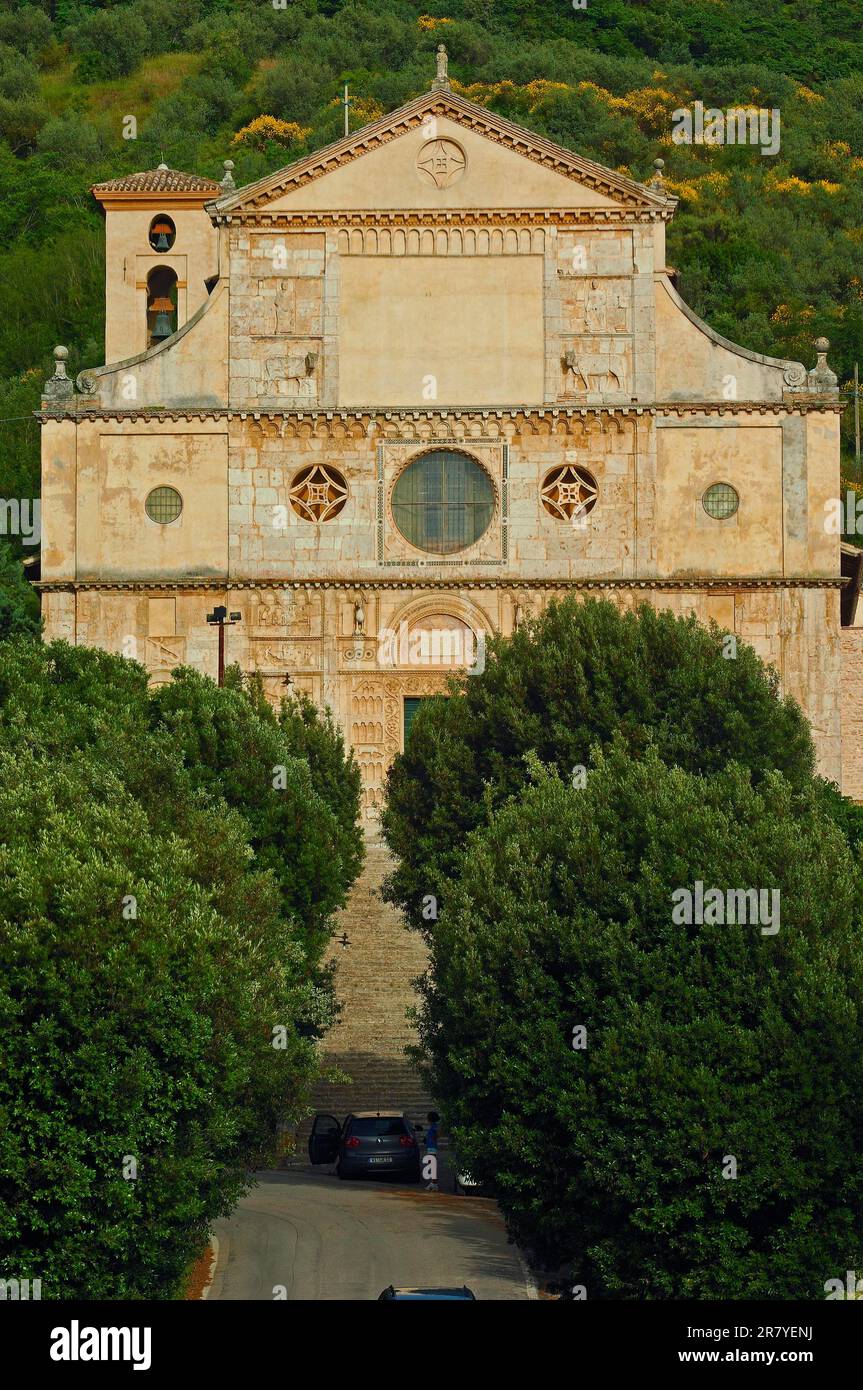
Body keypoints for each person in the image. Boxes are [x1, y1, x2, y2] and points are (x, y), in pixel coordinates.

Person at [424, 1110, 439, 1191]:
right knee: (432, 1166)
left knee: (432, 1166)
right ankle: (433, 1183)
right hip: (431, 1147)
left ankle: (434, 1184)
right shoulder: (433, 1126)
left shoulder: (434, 1126)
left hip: (432, 1148)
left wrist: (433, 1138)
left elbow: (437, 1134)